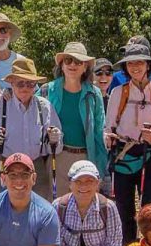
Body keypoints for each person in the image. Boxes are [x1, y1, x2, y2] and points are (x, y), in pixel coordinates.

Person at [104, 42, 151, 241]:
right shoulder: (118, 93)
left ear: (148, 65)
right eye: (131, 63)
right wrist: (108, 138)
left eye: (140, 62)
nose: (135, 67)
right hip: (123, 153)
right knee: (123, 206)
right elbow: (107, 127)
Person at [0, 57, 61, 199]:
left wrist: (55, 139)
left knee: (39, 213)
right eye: (20, 83)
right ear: (11, 83)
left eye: (30, 83)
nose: (25, 88)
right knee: (0, 213)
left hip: (35, 167)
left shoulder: (45, 106)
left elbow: (56, 148)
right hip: (2, 166)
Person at [43, 42, 109, 187]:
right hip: (57, 157)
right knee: (58, 205)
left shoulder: (94, 93)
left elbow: (99, 132)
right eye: (68, 60)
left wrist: (101, 168)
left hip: (86, 157)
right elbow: (28, 105)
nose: (73, 64)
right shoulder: (47, 90)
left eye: (78, 61)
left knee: (84, 206)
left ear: (85, 67)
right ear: (61, 64)